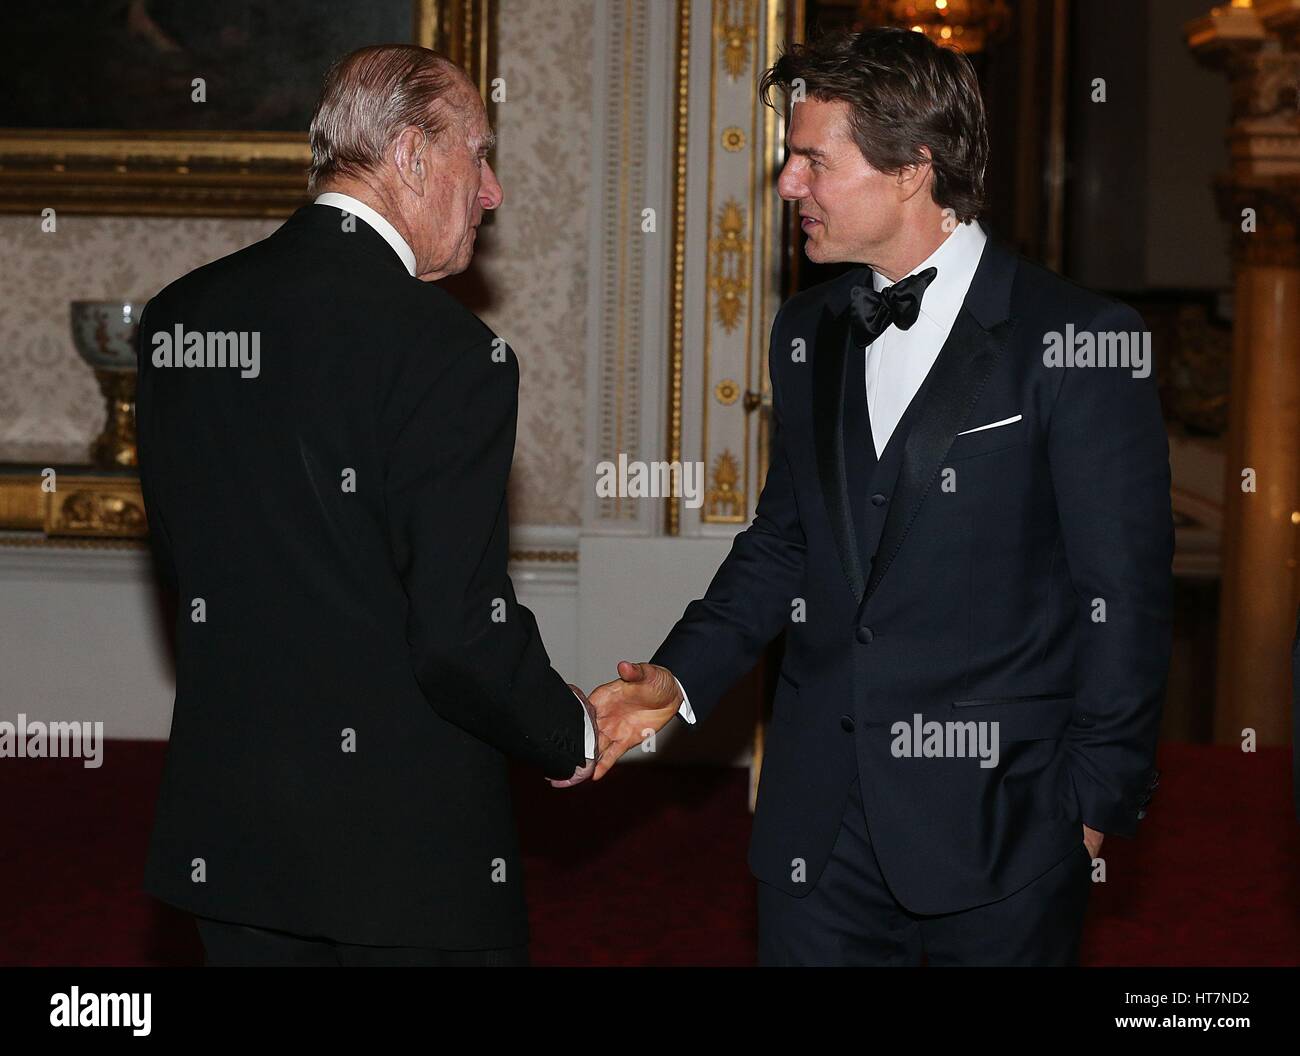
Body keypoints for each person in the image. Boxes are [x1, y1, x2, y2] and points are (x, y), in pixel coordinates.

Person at [589, 26, 1173, 966]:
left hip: (1002, 832)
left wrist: (1090, 819)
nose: (787, 185)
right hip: (816, 837)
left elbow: (1128, 601)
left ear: (913, 169)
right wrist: (680, 677)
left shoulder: (1081, 339)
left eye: (812, 160)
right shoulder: (810, 326)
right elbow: (786, 541)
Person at [135, 44, 597, 966]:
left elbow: (199, 579)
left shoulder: (180, 318)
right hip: (405, 861)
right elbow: (460, 635)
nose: (493, 189)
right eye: (480, 153)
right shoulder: (450, 355)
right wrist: (569, 729)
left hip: (232, 839)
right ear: (413, 157)